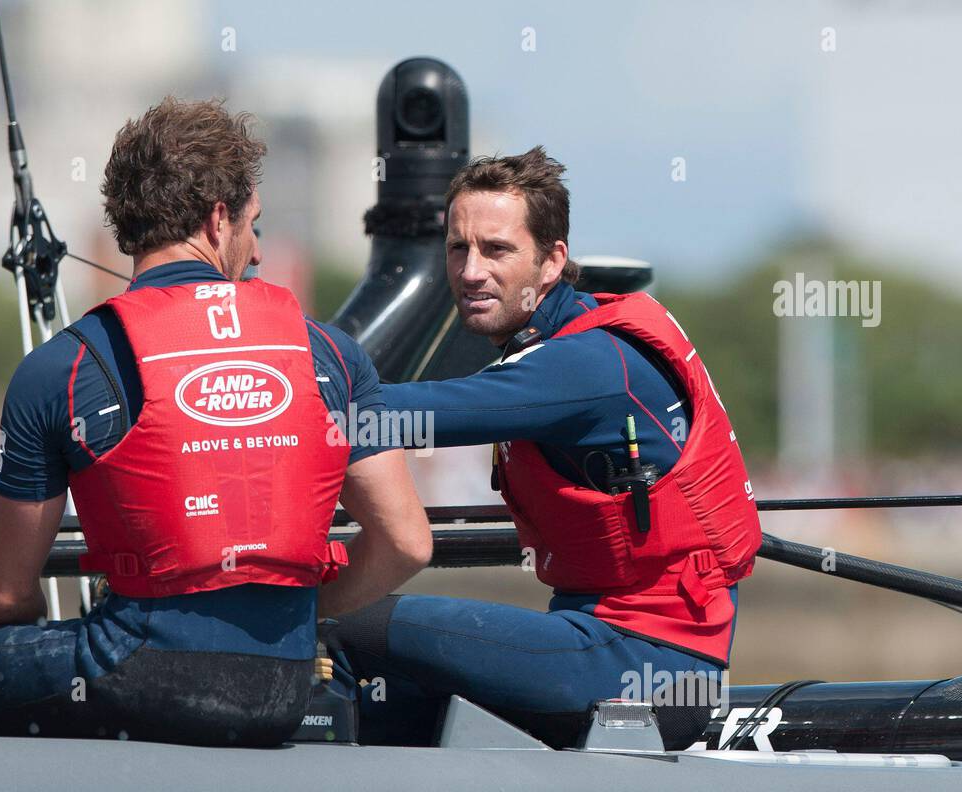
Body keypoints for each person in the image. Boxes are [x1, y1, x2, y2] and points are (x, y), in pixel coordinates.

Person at [0, 98, 431, 746]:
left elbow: (2, 600)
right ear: (218, 219)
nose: (255, 253)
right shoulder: (335, 356)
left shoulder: (63, 368)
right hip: (282, 689)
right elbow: (407, 543)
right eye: (255, 226)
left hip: (135, 680)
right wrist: (305, 614)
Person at [326, 147, 762, 749]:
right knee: (386, 693)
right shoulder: (569, 335)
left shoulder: (582, 365)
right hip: (612, 646)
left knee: (345, 621)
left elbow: (402, 418)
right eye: (458, 248)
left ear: (552, 260)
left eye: (497, 250)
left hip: (643, 668)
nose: (471, 270)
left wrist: (274, 393)